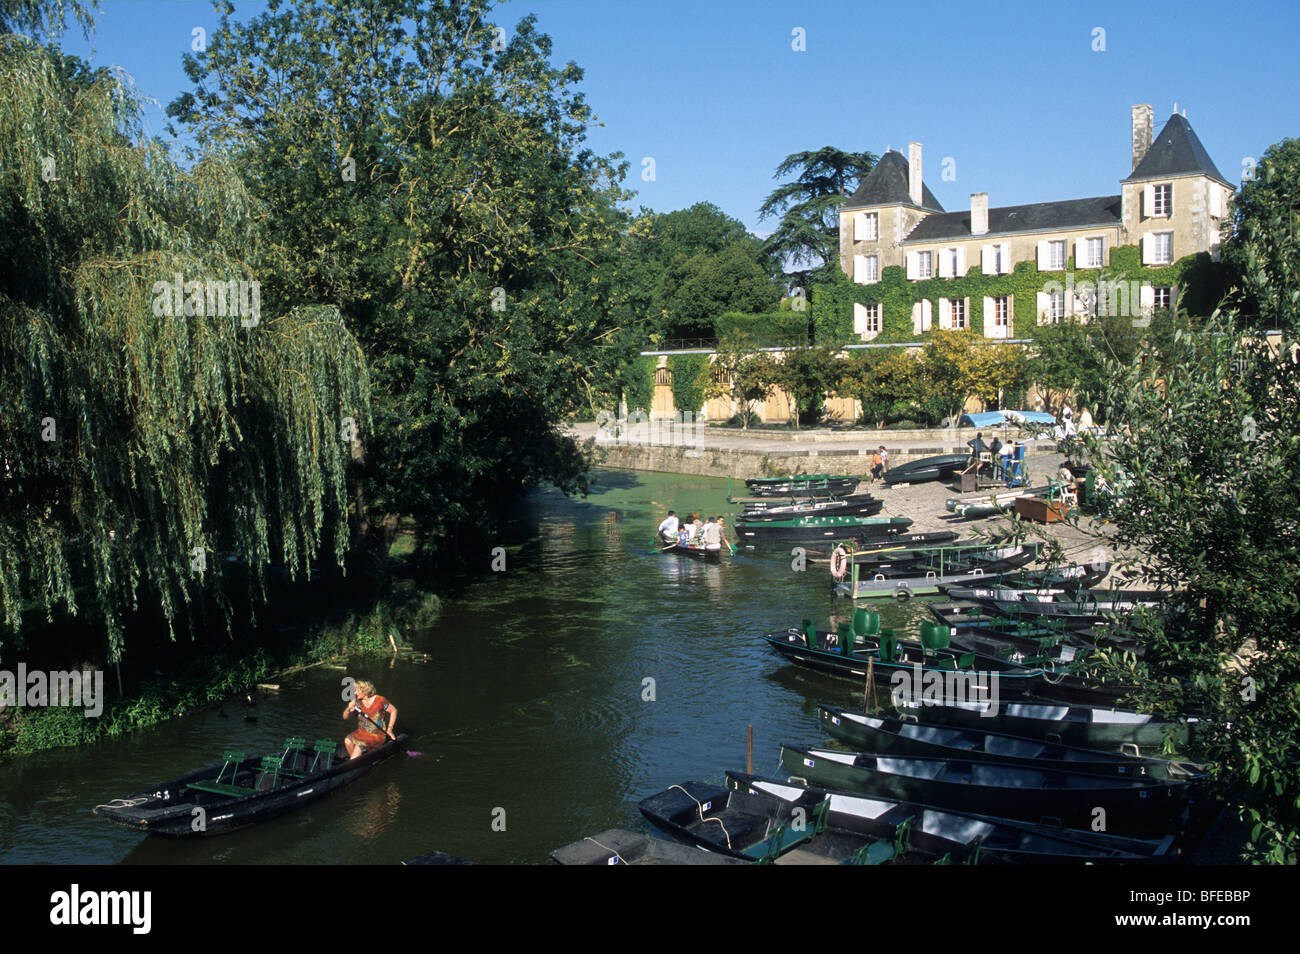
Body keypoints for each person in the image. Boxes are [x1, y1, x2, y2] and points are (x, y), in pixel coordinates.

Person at [343, 680, 398, 760]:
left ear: (365, 690)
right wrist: (348, 709)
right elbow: (345, 717)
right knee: (347, 740)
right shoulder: (357, 703)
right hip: (361, 732)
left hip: (376, 735)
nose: (355, 693)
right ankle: (358, 762)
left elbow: (394, 711)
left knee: (359, 746)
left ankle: (351, 764)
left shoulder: (380, 700)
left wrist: (390, 729)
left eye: (357, 690)